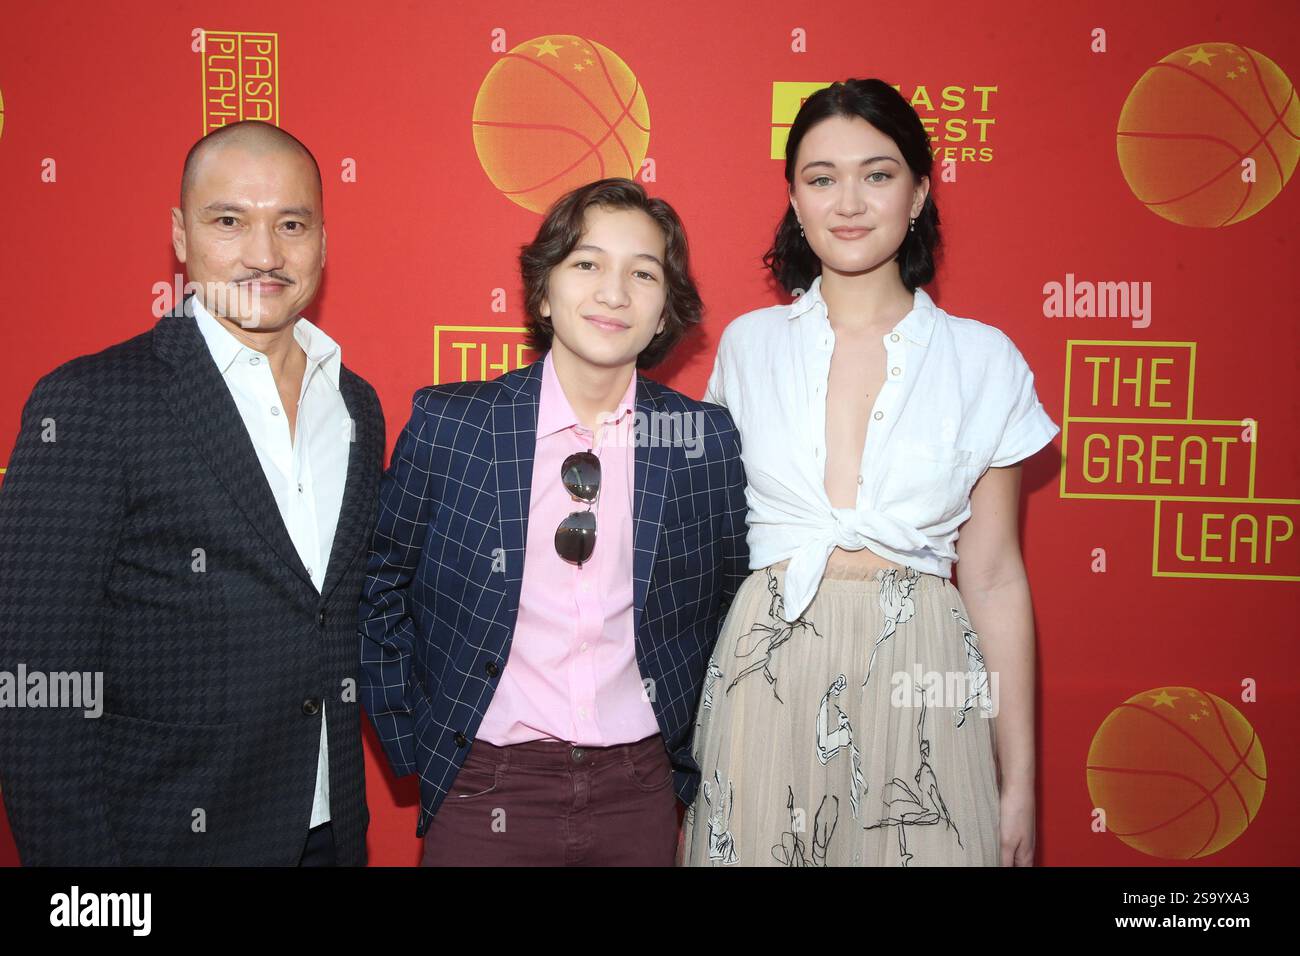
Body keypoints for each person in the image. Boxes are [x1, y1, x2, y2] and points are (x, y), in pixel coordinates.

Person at [682, 79, 1059, 867]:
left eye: (878, 174)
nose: (848, 201)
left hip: (926, 670)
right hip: (767, 659)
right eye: (821, 178)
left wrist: (1017, 783)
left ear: (920, 191)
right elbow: (707, 556)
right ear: (794, 197)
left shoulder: (982, 359)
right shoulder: (748, 347)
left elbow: (991, 579)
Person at [0, 120, 385, 865]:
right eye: (230, 220)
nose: (265, 254)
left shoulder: (356, 406)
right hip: (161, 845)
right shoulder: (91, 403)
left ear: (324, 242)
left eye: (293, 224)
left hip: (330, 840)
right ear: (180, 236)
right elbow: (34, 684)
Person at [358, 177, 749, 866]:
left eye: (643, 273)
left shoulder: (701, 440)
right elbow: (379, 589)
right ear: (542, 291)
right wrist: (416, 740)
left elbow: (728, 606)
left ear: (665, 313)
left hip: (639, 791)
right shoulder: (454, 425)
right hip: (485, 784)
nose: (613, 292)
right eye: (588, 264)